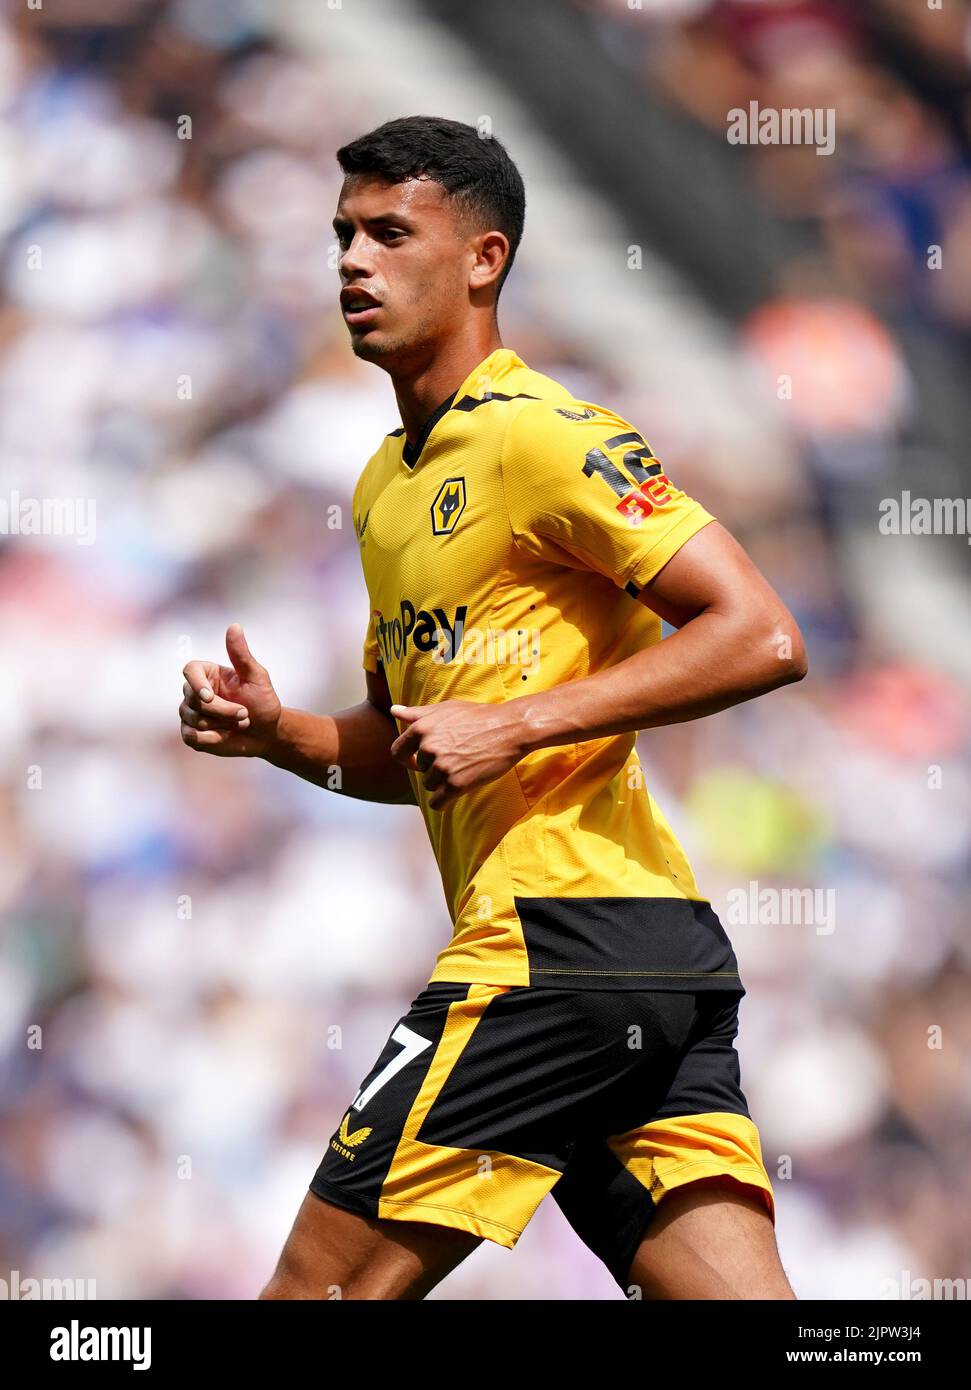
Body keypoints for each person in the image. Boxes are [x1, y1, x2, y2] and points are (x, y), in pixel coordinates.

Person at [179, 116, 806, 1300]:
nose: (351, 262)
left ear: (482, 258)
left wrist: (517, 722)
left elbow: (760, 634)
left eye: (387, 233)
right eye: (341, 236)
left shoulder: (543, 435)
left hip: (554, 947)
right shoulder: (380, 485)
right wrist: (278, 738)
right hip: (638, 965)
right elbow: (410, 750)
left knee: (314, 1294)